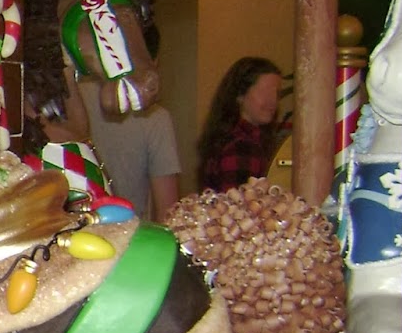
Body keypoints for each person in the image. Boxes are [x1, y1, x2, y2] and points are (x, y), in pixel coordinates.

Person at [79, 87, 182, 222]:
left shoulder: (61, 106)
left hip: (67, 234)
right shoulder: (155, 117)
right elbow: (168, 212)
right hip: (129, 236)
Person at [198, 56, 284, 191]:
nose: (272, 100)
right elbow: (242, 207)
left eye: (277, 93)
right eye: (264, 92)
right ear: (240, 95)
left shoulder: (228, 137)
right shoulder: (242, 147)